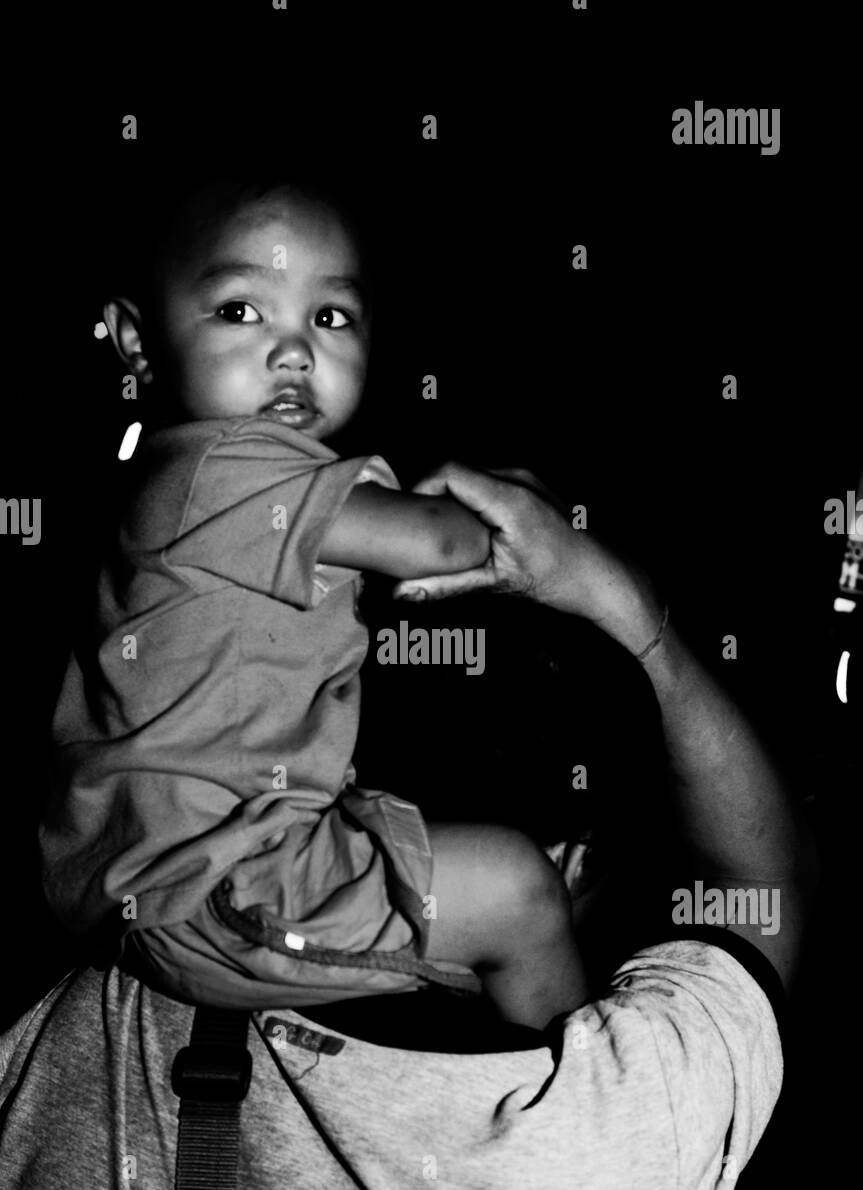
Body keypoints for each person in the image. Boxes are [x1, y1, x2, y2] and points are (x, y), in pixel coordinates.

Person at [0, 465, 816, 1190]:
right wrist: (633, 617)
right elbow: (762, 883)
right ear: (572, 861)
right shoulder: (624, 1126)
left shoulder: (103, 998)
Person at [38, 175, 588, 1031]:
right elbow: (447, 544)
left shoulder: (195, 475)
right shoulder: (224, 468)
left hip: (196, 859)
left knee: (498, 876)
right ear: (138, 343)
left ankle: (496, 986)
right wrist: (519, 509)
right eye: (240, 311)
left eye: (328, 318)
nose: (293, 351)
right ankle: (578, 1099)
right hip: (216, 882)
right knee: (517, 887)